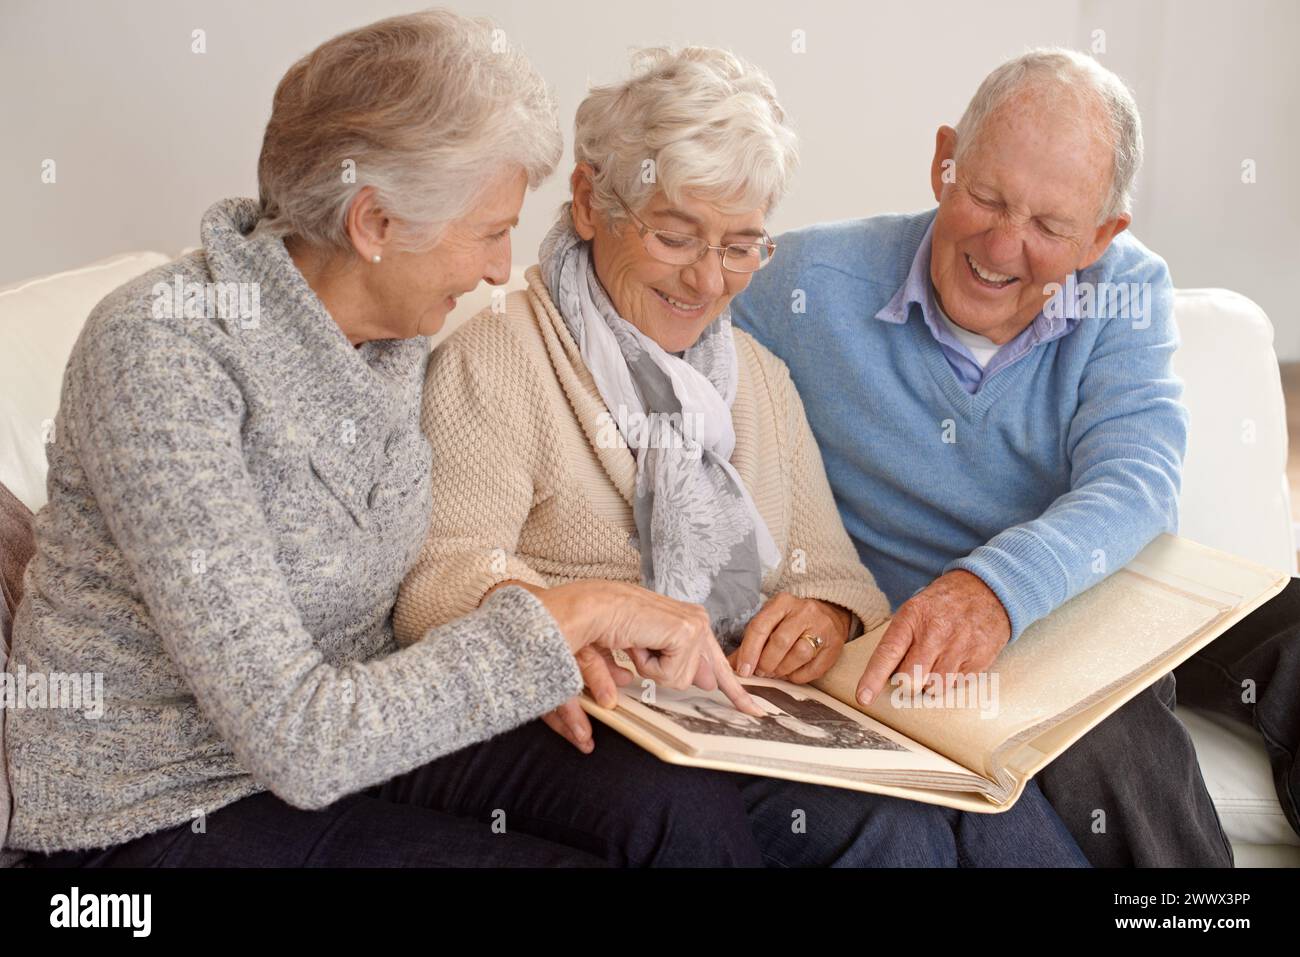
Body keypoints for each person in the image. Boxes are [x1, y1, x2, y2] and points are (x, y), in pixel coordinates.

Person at [9, 10, 765, 869]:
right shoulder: (162, 351)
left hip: (360, 744)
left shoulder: (389, 334)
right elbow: (298, 737)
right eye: (488, 232)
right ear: (372, 224)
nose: (497, 267)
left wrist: (538, 642)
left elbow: (387, 646)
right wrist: (559, 617)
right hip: (156, 809)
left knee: (673, 804)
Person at [396, 45, 1087, 868]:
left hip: (738, 714)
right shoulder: (502, 355)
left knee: (999, 815)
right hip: (598, 723)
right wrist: (558, 624)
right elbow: (437, 581)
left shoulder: (758, 376)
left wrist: (821, 619)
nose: (707, 279)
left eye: (741, 246)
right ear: (588, 202)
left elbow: (837, 580)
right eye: (677, 235)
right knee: (887, 832)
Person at [730, 47, 1258, 866]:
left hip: (1065, 611)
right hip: (905, 650)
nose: (1003, 246)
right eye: (985, 196)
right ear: (945, 161)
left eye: (1050, 227)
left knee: (1236, 657)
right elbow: (682, 385)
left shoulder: (1123, 291)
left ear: (1102, 237)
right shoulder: (804, 282)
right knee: (1103, 742)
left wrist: (994, 589)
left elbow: (1137, 477)